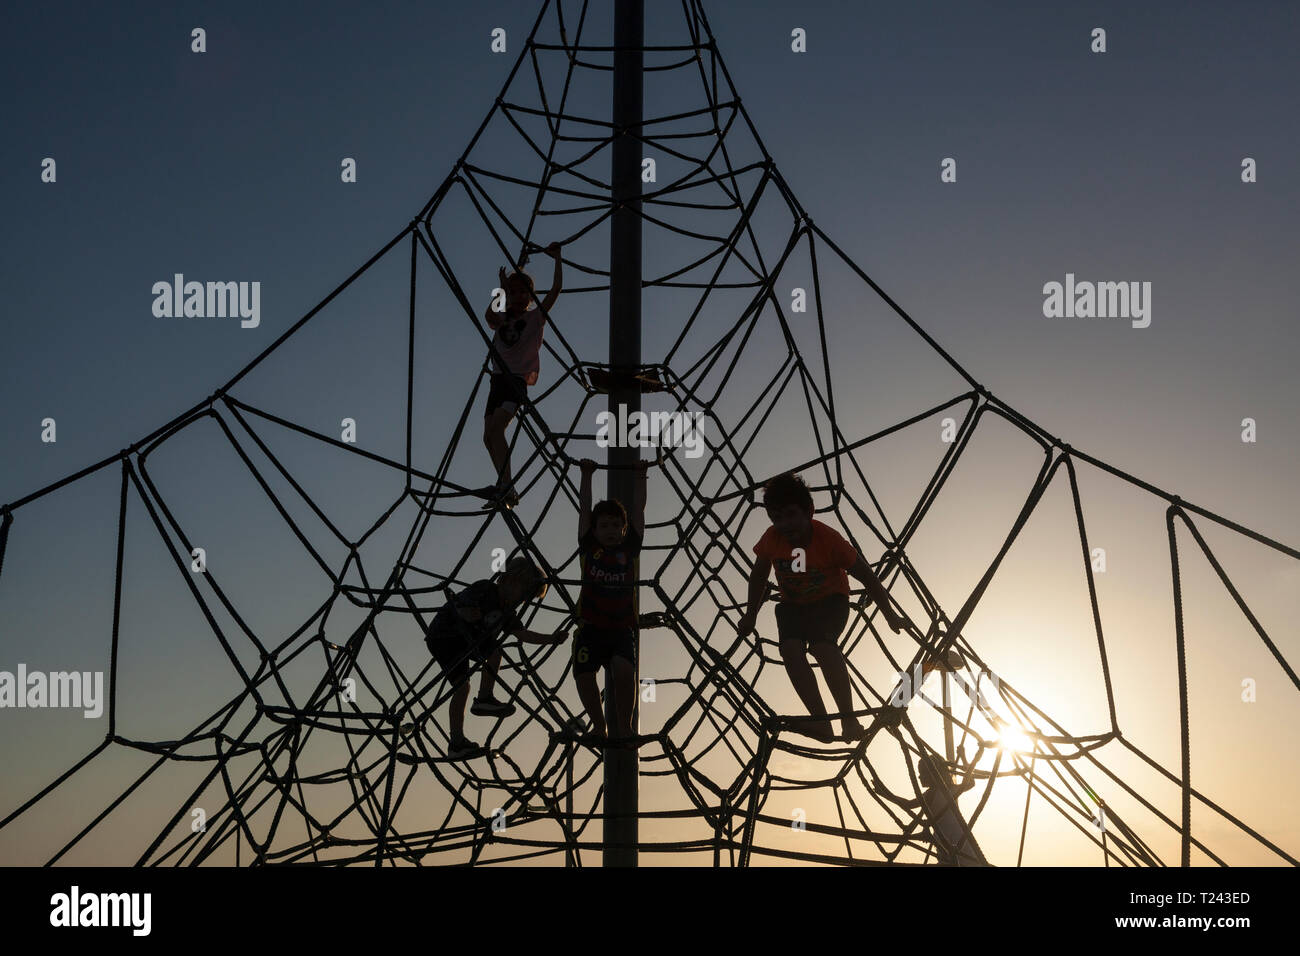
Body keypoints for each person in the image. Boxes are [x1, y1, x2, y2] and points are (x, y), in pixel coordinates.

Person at [737, 472, 910, 741]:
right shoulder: (772, 538)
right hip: (793, 605)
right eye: (776, 518)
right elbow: (759, 576)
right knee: (791, 651)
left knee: (822, 647)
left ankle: (848, 720)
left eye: (791, 515)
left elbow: (867, 576)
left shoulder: (829, 540)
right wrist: (750, 615)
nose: (784, 524)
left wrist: (890, 616)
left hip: (830, 603)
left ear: (809, 512)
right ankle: (820, 721)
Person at [424, 556, 566, 758]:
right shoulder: (486, 589)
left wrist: (552, 639)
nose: (522, 599)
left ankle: (463, 733)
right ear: (507, 580)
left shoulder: (508, 612)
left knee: (466, 683)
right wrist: (466, 612)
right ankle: (476, 711)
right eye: (522, 592)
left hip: (468, 641)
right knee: (471, 676)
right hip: (445, 636)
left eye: (527, 597)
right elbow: (460, 603)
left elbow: (523, 635)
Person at [482, 242, 563, 507]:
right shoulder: (502, 317)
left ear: (530, 297)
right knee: (487, 437)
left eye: (522, 292)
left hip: (515, 383)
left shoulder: (535, 318)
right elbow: (489, 314)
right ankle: (504, 485)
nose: (517, 296)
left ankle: (507, 486)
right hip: (496, 381)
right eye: (513, 291)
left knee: (496, 432)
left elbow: (555, 292)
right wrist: (502, 291)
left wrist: (557, 260)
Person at [572, 457, 647, 743]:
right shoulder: (588, 546)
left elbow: (639, 511)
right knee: (583, 676)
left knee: (625, 671)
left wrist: (640, 477)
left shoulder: (629, 548)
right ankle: (597, 724)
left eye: (616, 525)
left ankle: (625, 726)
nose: (611, 531)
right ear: (595, 529)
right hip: (590, 626)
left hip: (621, 628)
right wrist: (586, 475)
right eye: (604, 526)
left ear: (624, 530)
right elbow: (584, 508)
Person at [882, 754, 983, 865]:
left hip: (948, 839)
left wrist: (886, 794)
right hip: (960, 837)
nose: (919, 777)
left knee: (952, 862)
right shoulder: (950, 789)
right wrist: (964, 758)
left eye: (922, 773)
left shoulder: (931, 794)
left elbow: (908, 804)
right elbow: (971, 782)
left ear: (932, 774)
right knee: (968, 862)